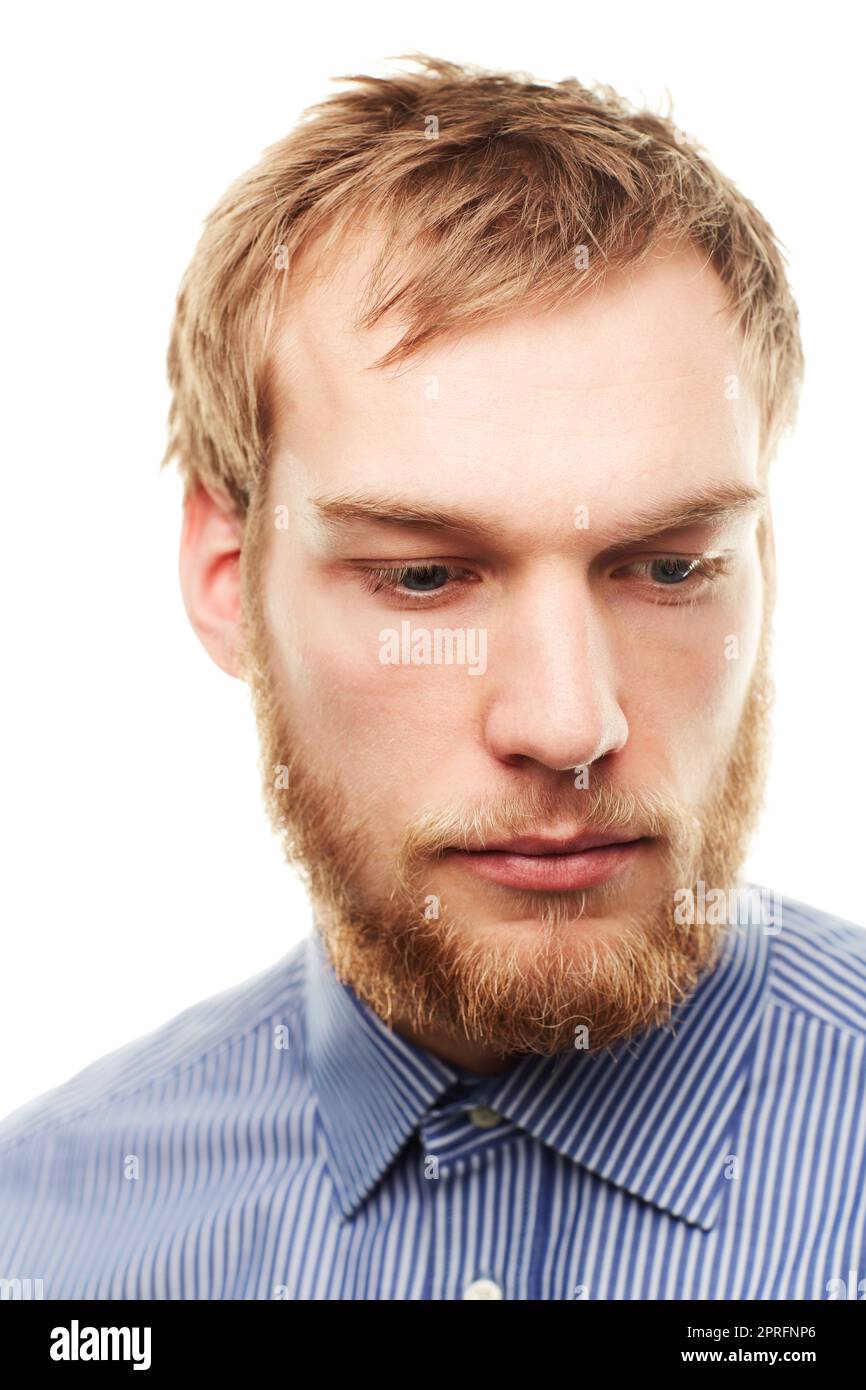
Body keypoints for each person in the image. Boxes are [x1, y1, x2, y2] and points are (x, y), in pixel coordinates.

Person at [1, 54, 864, 1302]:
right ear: (226, 576)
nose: (568, 723)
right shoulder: (44, 1254)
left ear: (761, 570)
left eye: (667, 566)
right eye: (421, 579)